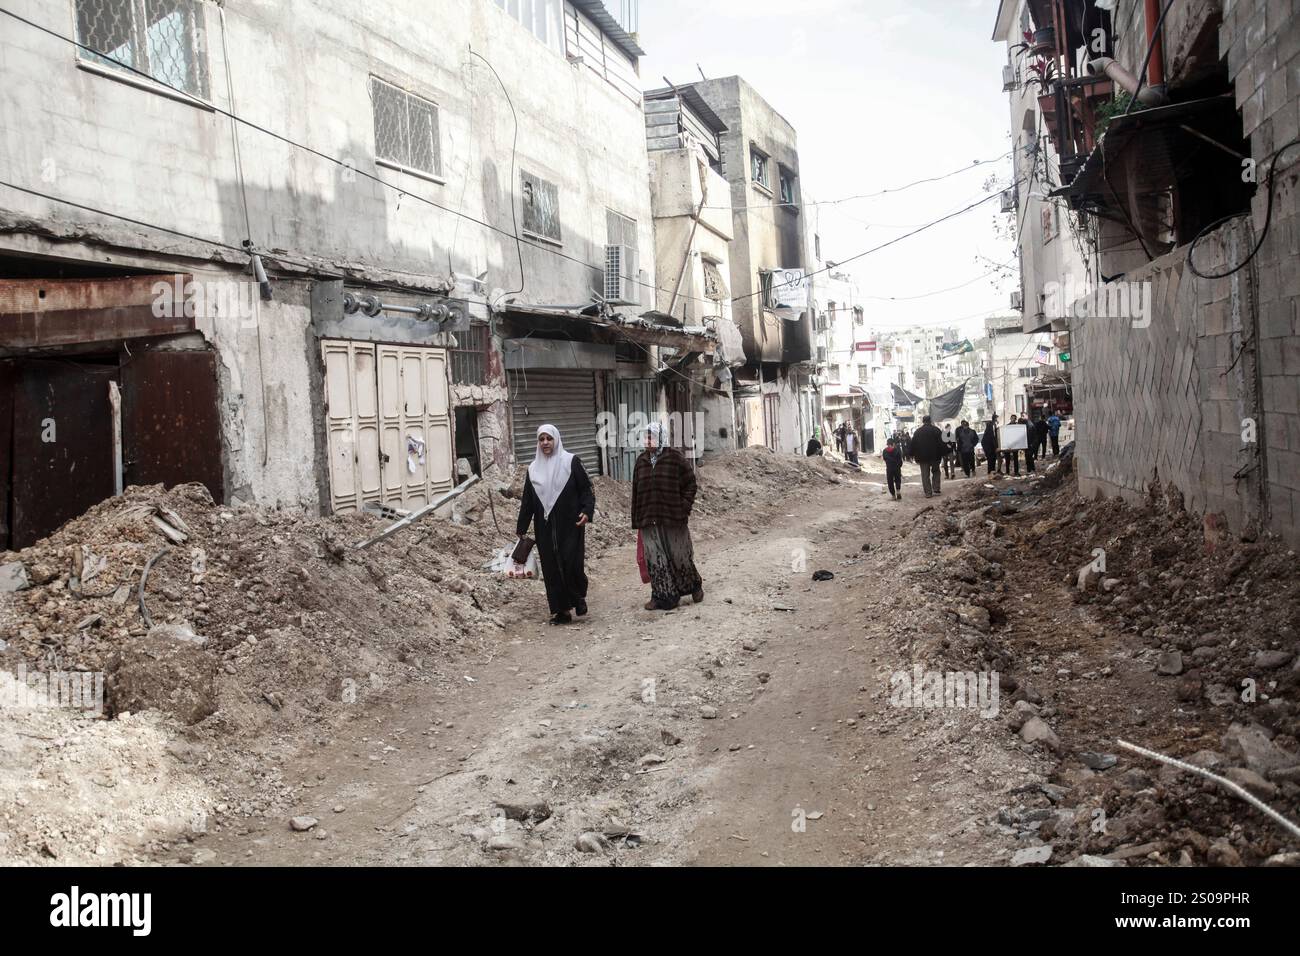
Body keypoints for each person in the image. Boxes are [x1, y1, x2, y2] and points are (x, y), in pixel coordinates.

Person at [516, 424, 595, 625]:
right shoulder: (533, 470)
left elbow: (587, 489)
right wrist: (522, 528)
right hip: (544, 527)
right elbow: (527, 501)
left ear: (556, 440)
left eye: (548, 439)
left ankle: (578, 598)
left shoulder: (571, 462)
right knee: (551, 568)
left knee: (572, 563)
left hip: (571, 523)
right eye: (541, 439)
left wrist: (586, 511)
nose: (545, 443)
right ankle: (561, 610)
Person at [631, 422, 703, 611]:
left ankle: (693, 585)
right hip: (649, 517)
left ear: (661, 437)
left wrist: (683, 507)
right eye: (645, 437)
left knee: (679, 555)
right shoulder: (641, 461)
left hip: (673, 516)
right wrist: (637, 518)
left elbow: (690, 485)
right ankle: (662, 596)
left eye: (651, 437)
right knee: (655, 557)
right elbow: (636, 492)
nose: (647, 441)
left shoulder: (675, 458)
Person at [910, 414, 945, 498]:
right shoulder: (936, 430)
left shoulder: (918, 432)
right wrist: (943, 454)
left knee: (925, 475)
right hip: (935, 456)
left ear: (923, 421)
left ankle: (928, 493)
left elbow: (913, 444)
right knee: (936, 471)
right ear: (930, 421)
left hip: (923, 458)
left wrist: (911, 454)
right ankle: (936, 488)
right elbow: (941, 443)